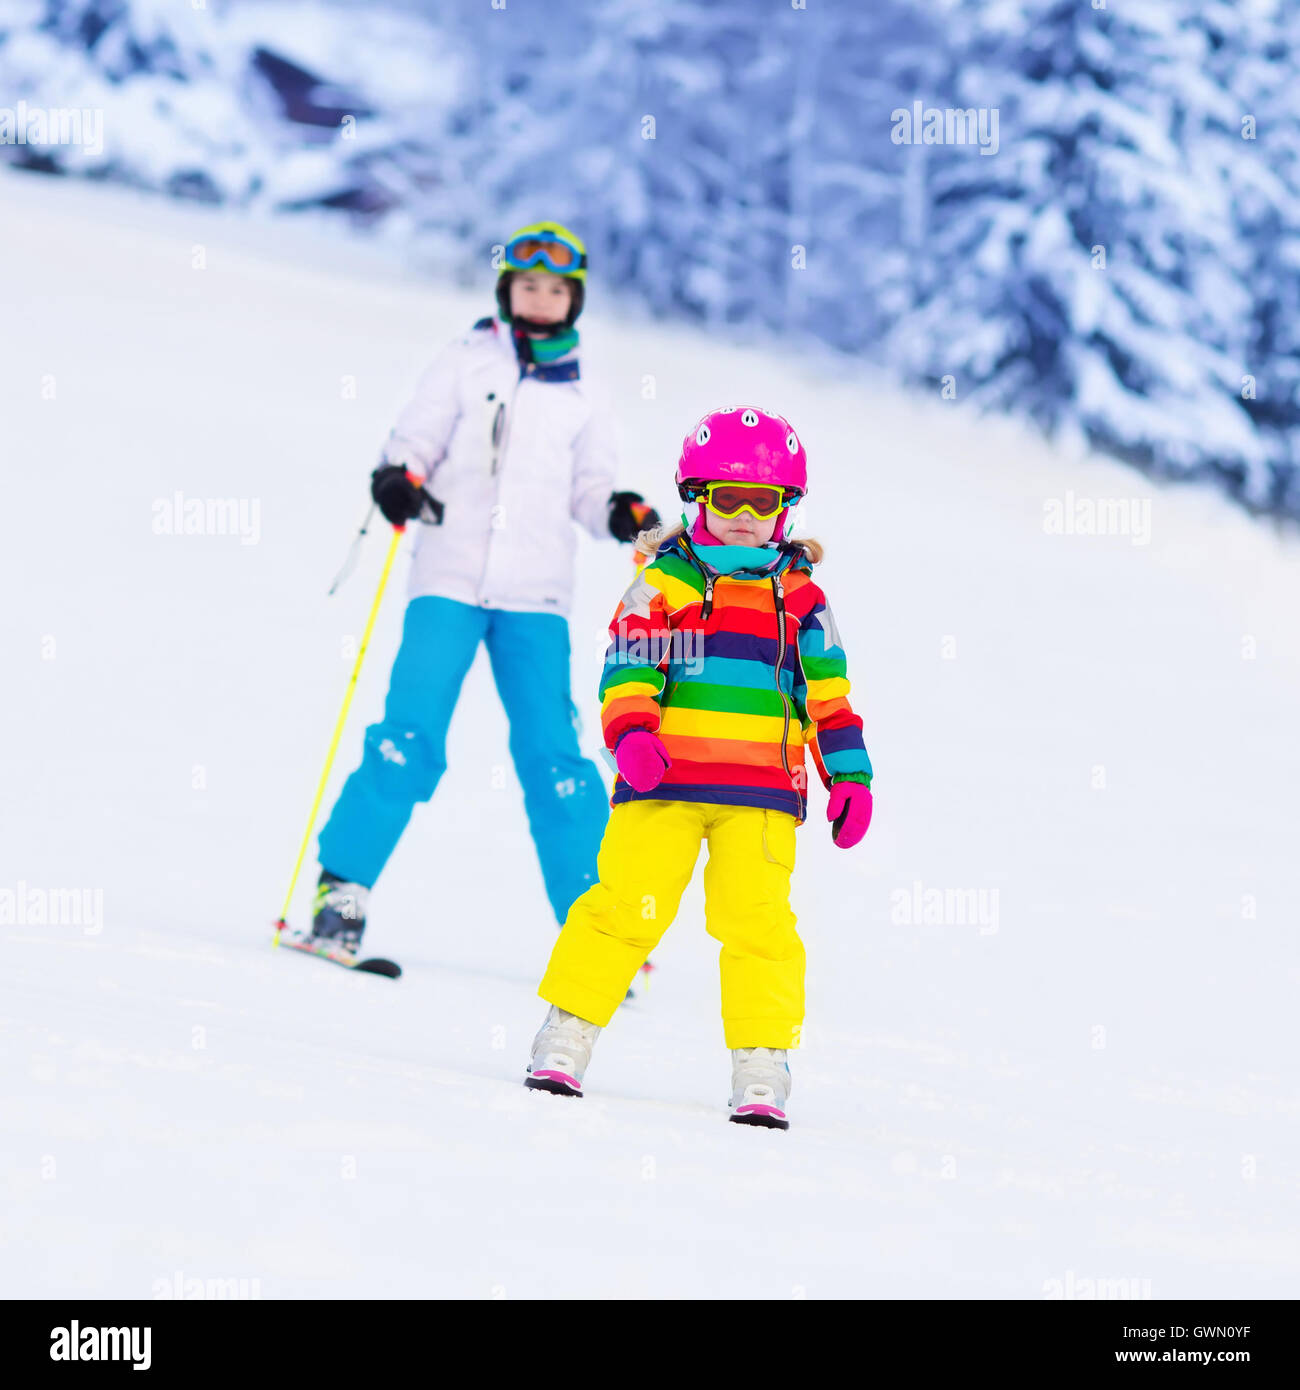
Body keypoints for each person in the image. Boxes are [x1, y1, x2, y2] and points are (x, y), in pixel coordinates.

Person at [307, 221, 660, 951]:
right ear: (507, 290)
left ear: (574, 300)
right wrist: (398, 476)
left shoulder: (587, 392)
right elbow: (415, 438)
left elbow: (590, 490)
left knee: (554, 757)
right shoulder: (467, 360)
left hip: (536, 599)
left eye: (555, 289)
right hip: (449, 580)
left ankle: (594, 929)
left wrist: (620, 510)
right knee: (410, 735)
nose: (539, 299)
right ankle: (340, 891)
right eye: (527, 285)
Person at [522, 406, 873, 1129]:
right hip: (664, 784)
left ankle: (761, 1061)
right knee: (624, 908)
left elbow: (829, 699)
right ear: (696, 498)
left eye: (764, 502)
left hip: (764, 796)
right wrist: (633, 736)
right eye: (728, 498)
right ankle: (567, 1032)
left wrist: (851, 778)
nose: (745, 517)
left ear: (786, 509)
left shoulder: (802, 599)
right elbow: (628, 666)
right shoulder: (666, 583)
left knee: (760, 928)